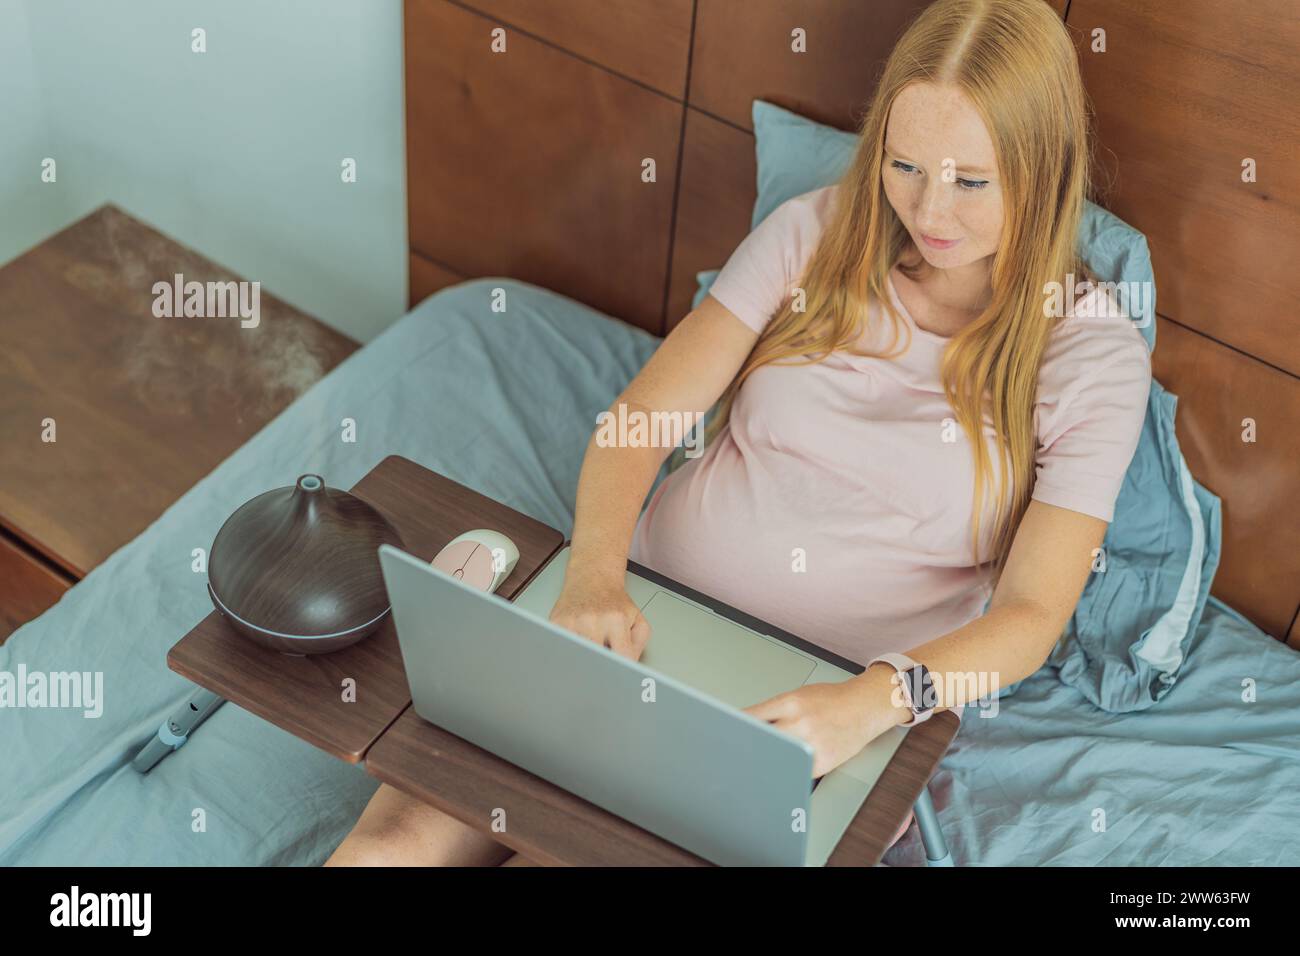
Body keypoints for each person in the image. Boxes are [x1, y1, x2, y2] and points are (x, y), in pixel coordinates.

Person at [326, 0, 1150, 867]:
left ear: (1043, 166)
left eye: (970, 181)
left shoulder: (1093, 356)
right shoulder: (815, 233)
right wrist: (595, 579)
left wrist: (871, 702)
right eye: (905, 165)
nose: (929, 209)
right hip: (638, 615)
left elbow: (1031, 616)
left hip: (818, 705)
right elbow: (640, 421)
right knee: (391, 843)